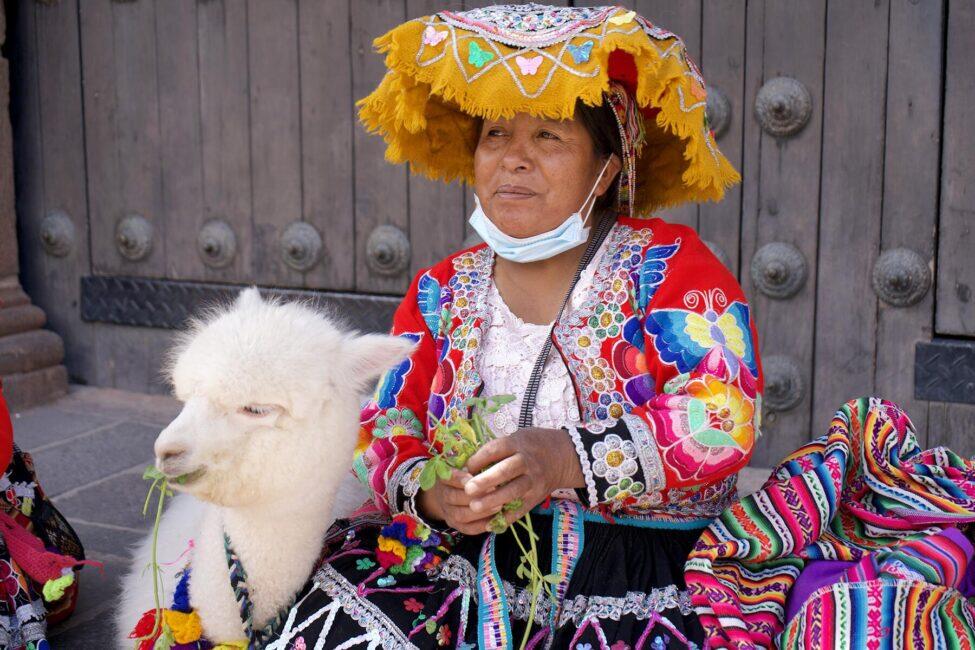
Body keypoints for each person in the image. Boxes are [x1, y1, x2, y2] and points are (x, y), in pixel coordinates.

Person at [266, 5, 760, 649]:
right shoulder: (441, 291)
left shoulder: (666, 266)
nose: (514, 161)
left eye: (549, 136)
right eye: (497, 134)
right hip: (462, 555)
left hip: (635, 563)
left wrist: (566, 457)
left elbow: (724, 415)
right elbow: (385, 427)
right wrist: (431, 494)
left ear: (605, 170)